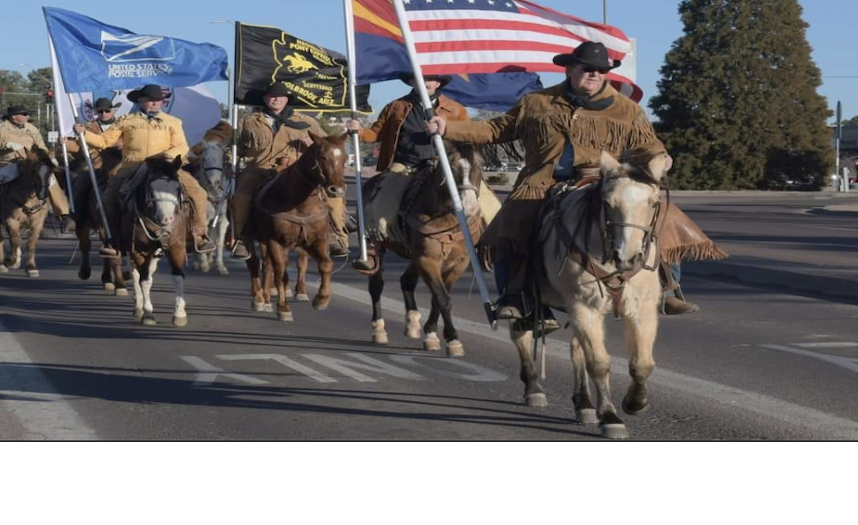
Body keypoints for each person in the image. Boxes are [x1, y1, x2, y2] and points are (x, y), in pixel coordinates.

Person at [428, 41, 708, 325]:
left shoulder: (627, 109)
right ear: (570, 69)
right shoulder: (536, 102)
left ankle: (666, 288)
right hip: (540, 183)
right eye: (587, 68)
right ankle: (514, 296)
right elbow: (495, 128)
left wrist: (661, 156)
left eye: (601, 70)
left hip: (603, 180)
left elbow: (648, 144)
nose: (595, 74)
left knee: (662, 214)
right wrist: (449, 127)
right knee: (506, 230)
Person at [345, 74, 501, 272]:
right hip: (407, 165)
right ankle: (374, 248)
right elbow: (376, 133)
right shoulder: (396, 106)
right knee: (380, 200)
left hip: (446, 165)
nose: (425, 82)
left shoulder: (455, 109)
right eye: (420, 78)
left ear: (438, 83)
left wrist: (446, 129)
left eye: (430, 79)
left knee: (490, 203)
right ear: (411, 82)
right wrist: (359, 130)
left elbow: (467, 134)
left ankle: (490, 247)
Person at [74, 84, 215, 256]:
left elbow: (182, 145)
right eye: (150, 100)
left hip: (165, 167)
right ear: (140, 100)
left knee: (199, 193)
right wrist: (84, 134)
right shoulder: (126, 121)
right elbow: (104, 141)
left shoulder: (173, 122)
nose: (155, 103)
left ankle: (200, 235)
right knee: (107, 199)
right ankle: (113, 239)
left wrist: (169, 154)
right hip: (132, 166)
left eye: (158, 100)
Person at [231, 82, 349, 260]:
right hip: (260, 168)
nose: (276, 99)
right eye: (271, 96)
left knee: (332, 194)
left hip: (296, 170)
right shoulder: (248, 122)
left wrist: (315, 144)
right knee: (242, 196)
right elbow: (233, 148)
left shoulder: (307, 122)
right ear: (264, 99)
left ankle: (335, 235)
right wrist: (229, 163)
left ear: (287, 99)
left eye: (280, 96)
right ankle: (242, 238)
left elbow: (328, 146)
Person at [0, 105, 69, 222]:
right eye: (24, 114)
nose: (27, 116)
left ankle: (63, 213)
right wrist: (7, 144)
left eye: (27, 114)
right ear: (13, 116)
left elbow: (41, 146)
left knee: (51, 180)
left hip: (31, 163)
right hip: (6, 162)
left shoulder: (32, 128)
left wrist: (48, 158)